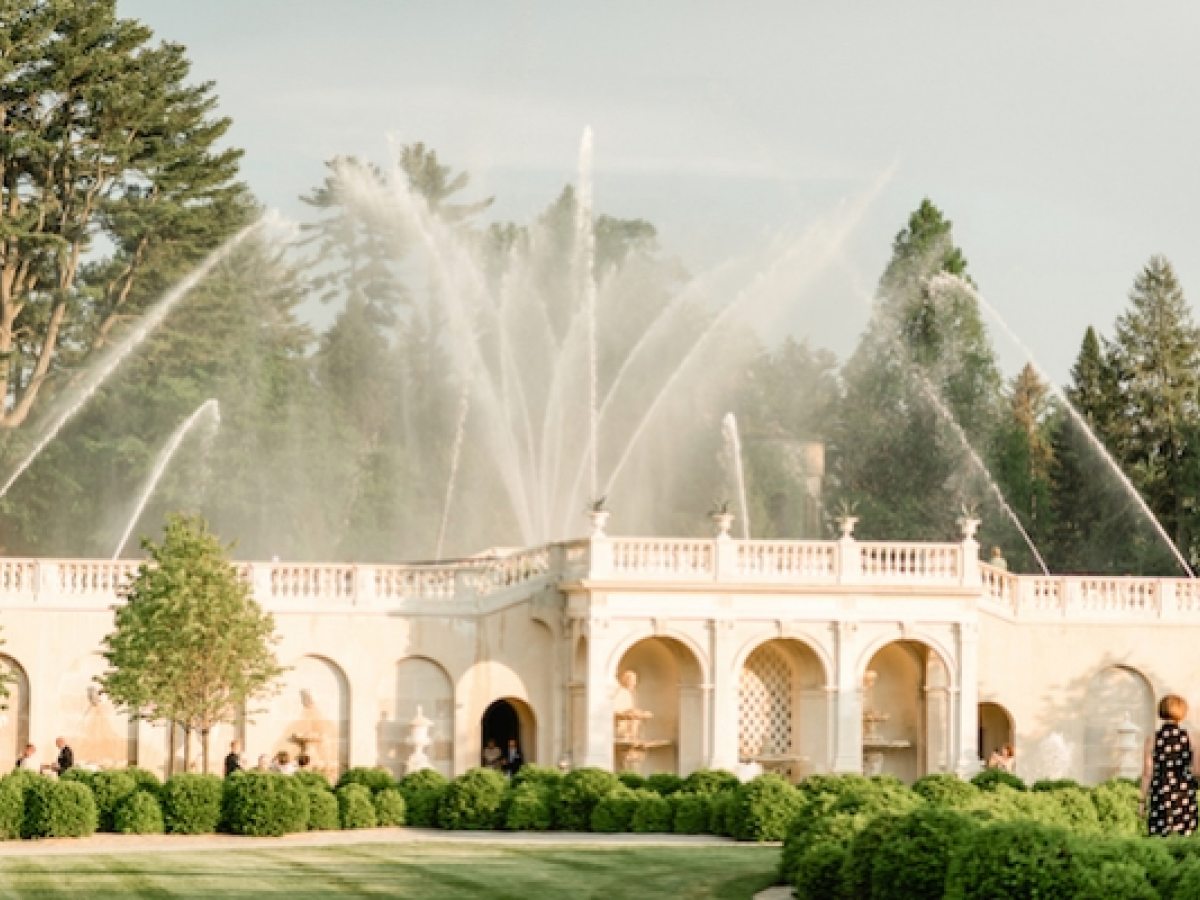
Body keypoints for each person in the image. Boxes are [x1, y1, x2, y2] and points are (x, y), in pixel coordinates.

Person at [1141, 693, 1199, 836]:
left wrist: (1141, 801)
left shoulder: (1153, 738)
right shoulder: (1190, 738)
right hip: (1184, 789)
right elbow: (1197, 770)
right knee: (1185, 836)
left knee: (1159, 836)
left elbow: (1147, 773)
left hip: (1160, 790)